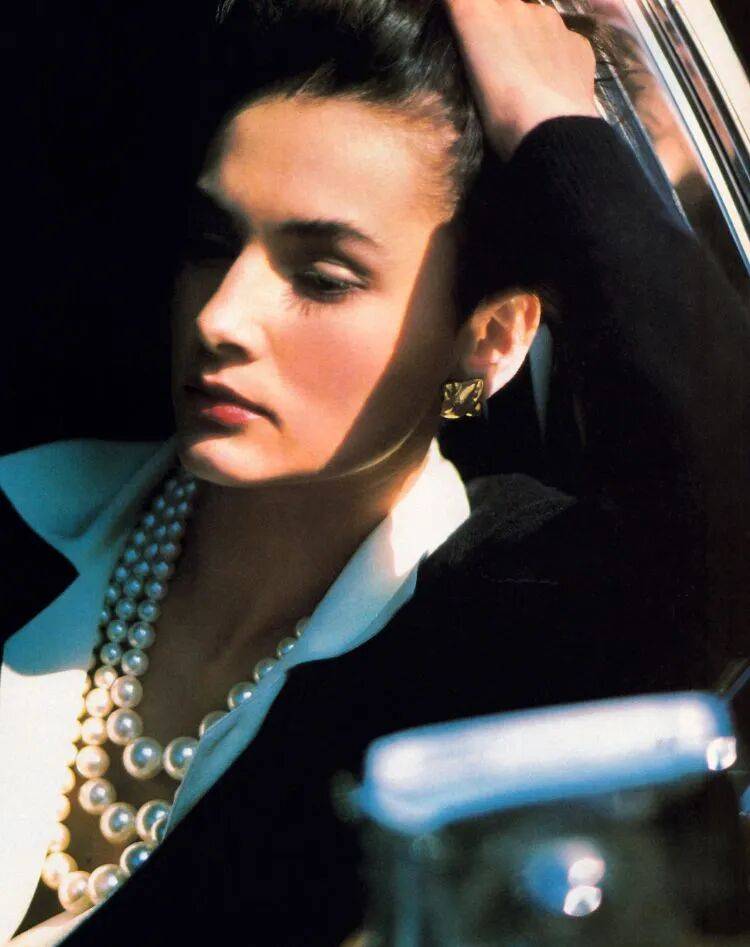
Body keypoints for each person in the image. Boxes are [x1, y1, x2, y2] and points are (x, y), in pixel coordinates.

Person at [1, 0, 748, 944]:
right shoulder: (32, 503)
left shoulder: (500, 621)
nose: (221, 317)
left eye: (323, 277)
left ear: (491, 337)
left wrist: (553, 128)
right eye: (213, 245)